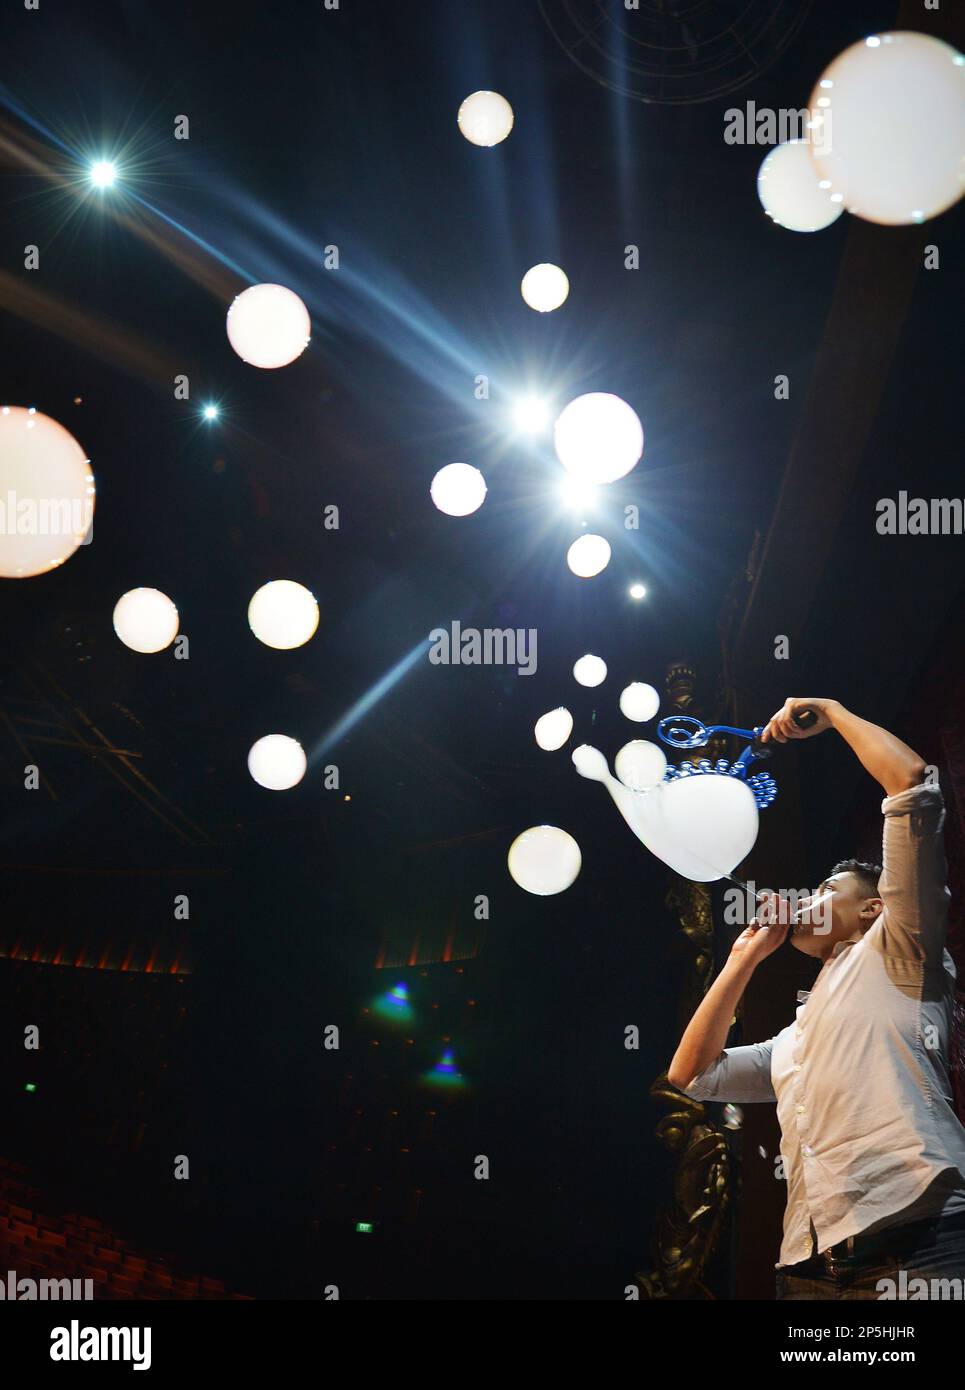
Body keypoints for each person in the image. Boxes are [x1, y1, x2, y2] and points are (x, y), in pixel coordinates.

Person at [666, 697, 965, 1299]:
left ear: (874, 907)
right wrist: (743, 959)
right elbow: (690, 1074)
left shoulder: (901, 947)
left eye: (827, 889)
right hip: (807, 1264)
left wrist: (831, 712)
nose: (807, 898)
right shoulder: (794, 1040)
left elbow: (910, 782)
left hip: (918, 1235)